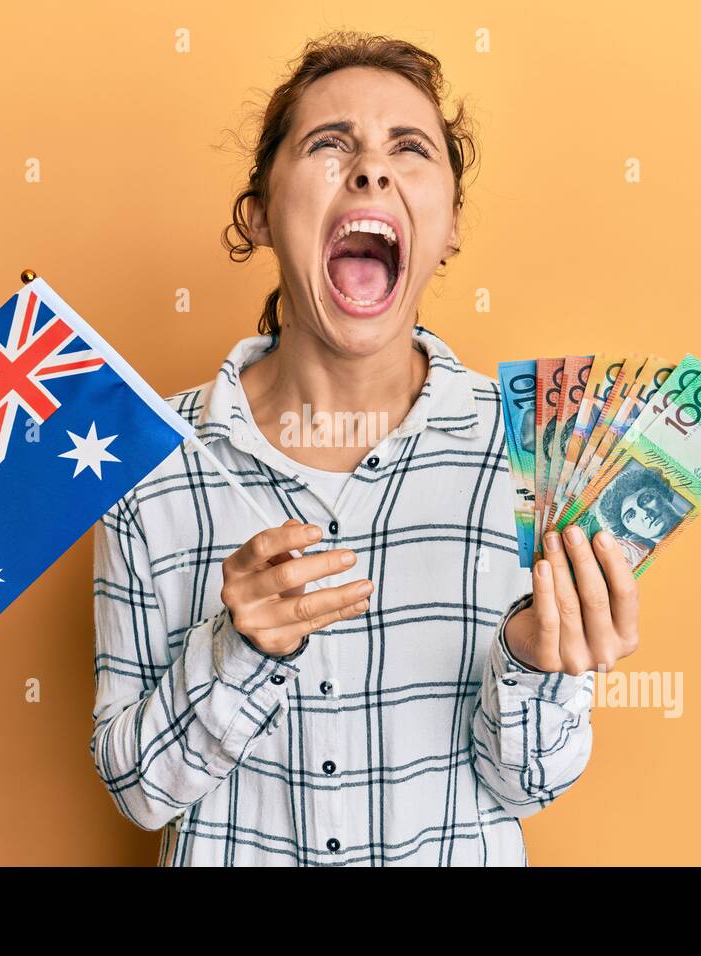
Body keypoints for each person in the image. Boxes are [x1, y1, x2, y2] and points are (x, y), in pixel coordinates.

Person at [90, 31, 641, 866]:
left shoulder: (534, 457)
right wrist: (236, 651)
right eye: (329, 145)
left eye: (409, 148)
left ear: (450, 225)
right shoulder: (147, 463)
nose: (372, 169)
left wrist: (534, 663)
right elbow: (138, 792)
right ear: (260, 215)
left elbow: (527, 785)